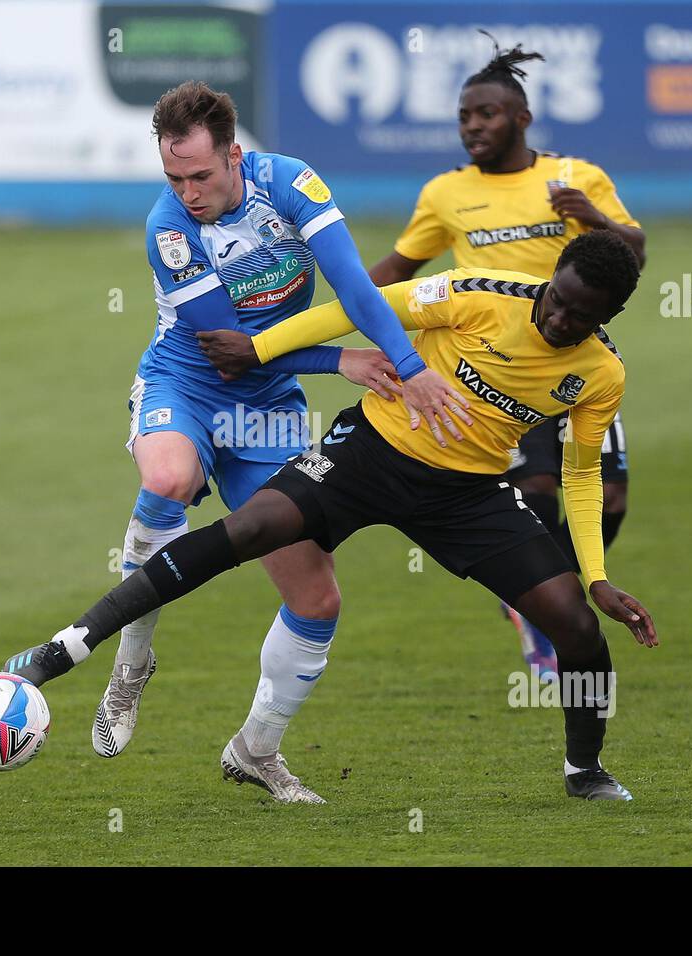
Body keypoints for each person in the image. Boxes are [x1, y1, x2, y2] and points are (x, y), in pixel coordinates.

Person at [2, 231, 657, 803]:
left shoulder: (601, 373)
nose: (560, 320)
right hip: (371, 454)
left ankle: (585, 770)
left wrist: (596, 576)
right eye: (557, 300)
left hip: (471, 495)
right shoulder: (478, 293)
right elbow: (358, 309)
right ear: (549, 280)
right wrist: (258, 349)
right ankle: (64, 650)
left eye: (581, 316)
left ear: (611, 315)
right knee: (253, 527)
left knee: (576, 626)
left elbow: (580, 469)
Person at [75, 80, 474, 793]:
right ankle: (132, 662)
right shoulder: (168, 229)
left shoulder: (291, 184)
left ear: (235, 154)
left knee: (316, 601)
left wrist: (409, 366)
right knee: (165, 480)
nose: (188, 192)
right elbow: (233, 346)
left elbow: (355, 287)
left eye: (200, 175)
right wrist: (342, 360)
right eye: (174, 177)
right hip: (188, 386)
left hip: (268, 408)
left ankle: (255, 750)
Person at [368, 38, 646, 682]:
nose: (472, 127)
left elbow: (632, 255)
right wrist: (343, 298)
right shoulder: (446, 193)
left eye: (486, 114)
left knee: (610, 500)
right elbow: (401, 268)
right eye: (465, 116)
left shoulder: (575, 179)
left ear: (521, 117)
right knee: (539, 488)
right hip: (490, 367)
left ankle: (543, 599)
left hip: (574, 366)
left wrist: (594, 218)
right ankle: (542, 616)